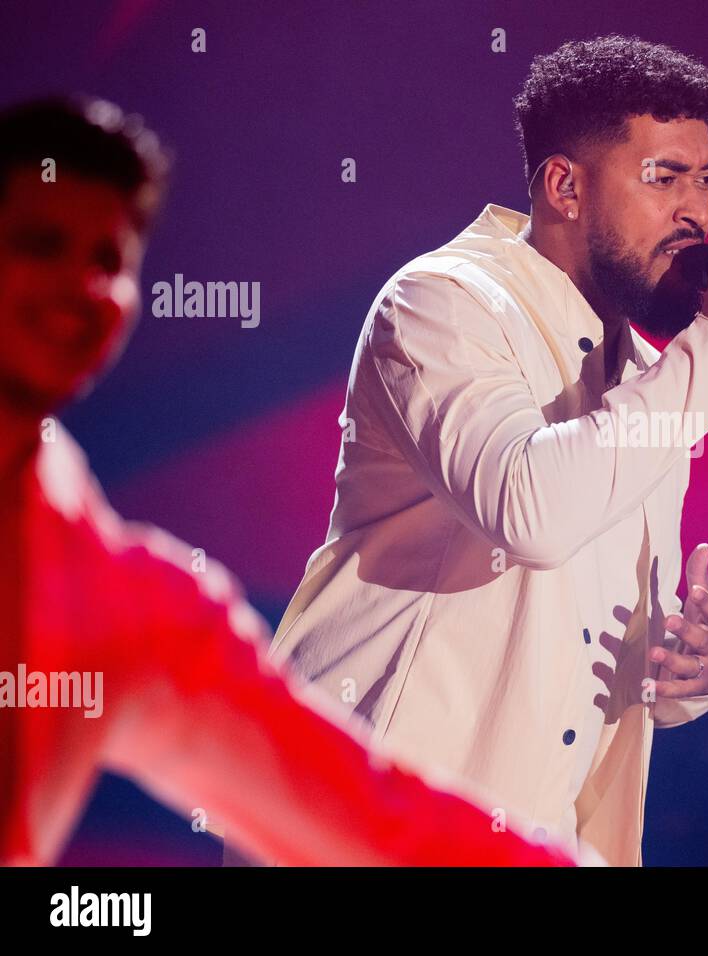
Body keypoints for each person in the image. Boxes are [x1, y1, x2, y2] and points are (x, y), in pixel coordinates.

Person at [269, 34, 708, 866]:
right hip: (371, 818)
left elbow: (587, 632)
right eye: (664, 177)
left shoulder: (647, 374)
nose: (698, 212)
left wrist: (699, 667)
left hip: (542, 838)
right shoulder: (443, 303)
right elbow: (529, 513)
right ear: (564, 185)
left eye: (706, 180)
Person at [0, 95, 575, 867]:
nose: (82, 290)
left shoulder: (119, 601)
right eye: (40, 245)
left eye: (108, 262)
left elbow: (371, 818)